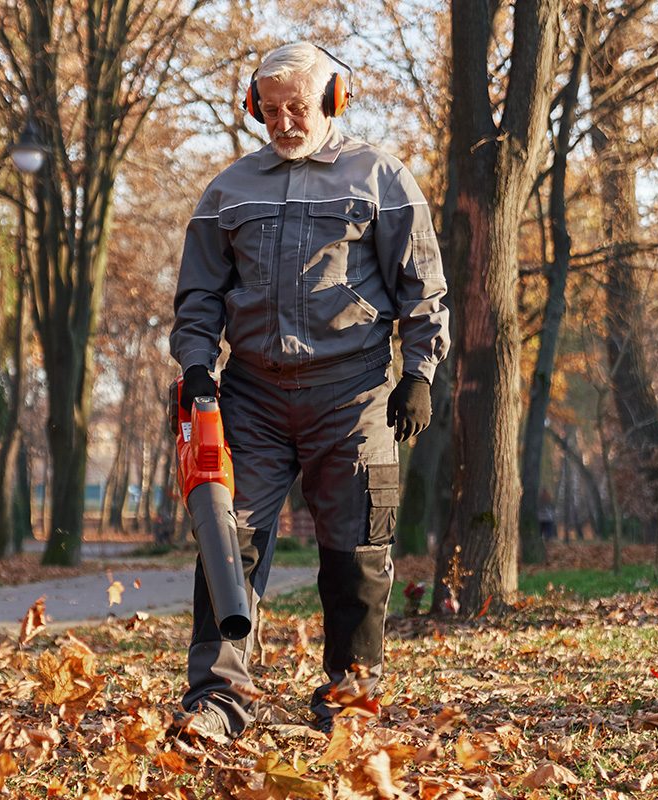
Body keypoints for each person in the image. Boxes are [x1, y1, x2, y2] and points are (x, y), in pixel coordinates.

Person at [168, 42, 450, 739]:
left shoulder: (380, 176)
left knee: (358, 550)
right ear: (252, 109)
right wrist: (197, 364)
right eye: (270, 110)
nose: (285, 122)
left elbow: (423, 286)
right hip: (252, 396)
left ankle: (349, 700)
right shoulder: (228, 190)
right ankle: (216, 701)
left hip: (353, 391)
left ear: (334, 100)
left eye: (298, 107)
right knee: (226, 542)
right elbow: (199, 296)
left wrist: (419, 373)